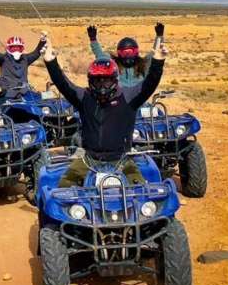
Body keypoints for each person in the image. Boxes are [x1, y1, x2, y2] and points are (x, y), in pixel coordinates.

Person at [44, 36, 166, 187]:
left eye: (106, 80)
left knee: (143, 194)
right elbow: (63, 84)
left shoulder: (128, 97)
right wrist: (51, 62)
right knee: (62, 193)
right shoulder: (84, 98)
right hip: (89, 160)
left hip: (122, 160)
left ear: (115, 80)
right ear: (90, 80)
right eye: (97, 80)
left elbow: (149, 84)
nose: (102, 85)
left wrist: (158, 63)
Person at [87, 23, 165, 88]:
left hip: (140, 100)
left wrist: (159, 36)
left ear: (136, 52)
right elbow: (100, 56)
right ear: (119, 53)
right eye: (124, 53)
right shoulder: (114, 65)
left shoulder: (142, 65)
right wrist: (93, 39)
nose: (128, 55)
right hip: (120, 101)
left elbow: (155, 52)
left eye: (130, 52)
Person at [0, 31, 48, 99]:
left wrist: (42, 41)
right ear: (8, 48)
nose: (16, 50)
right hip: (7, 93)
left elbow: (36, 53)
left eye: (18, 48)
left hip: (24, 92)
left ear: (22, 48)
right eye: (13, 48)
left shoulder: (25, 59)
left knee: (44, 98)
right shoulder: (3, 59)